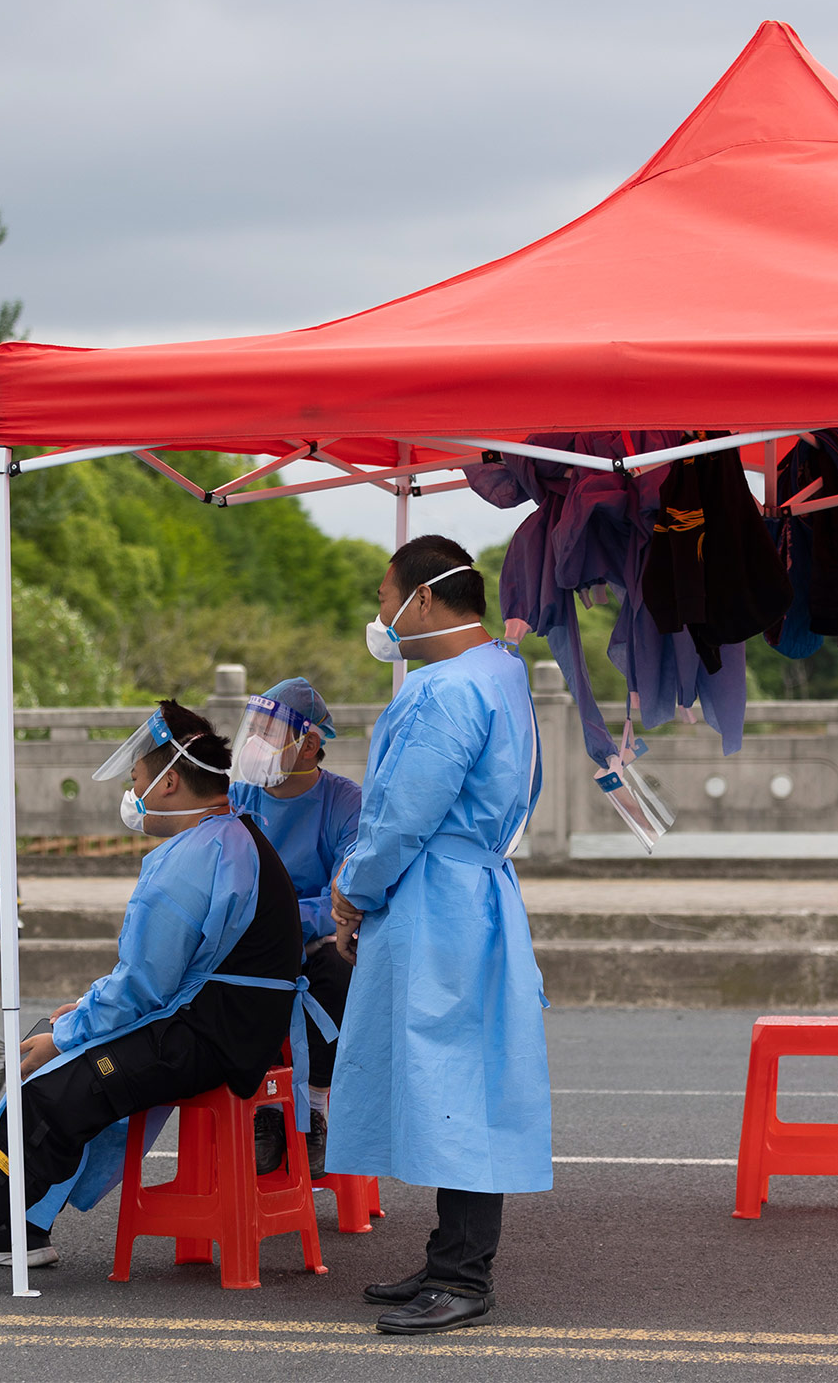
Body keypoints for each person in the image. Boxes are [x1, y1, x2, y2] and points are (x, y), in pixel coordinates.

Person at [0, 700, 310, 1291]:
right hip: (225, 1022)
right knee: (59, 1049)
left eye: (139, 779)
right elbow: (152, 979)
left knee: (49, 1094)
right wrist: (79, 1018)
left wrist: (71, 1032)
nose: (134, 790)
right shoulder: (229, 832)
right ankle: (10, 1224)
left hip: (214, 1034)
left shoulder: (188, 859)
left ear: (169, 781)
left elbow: (144, 986)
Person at [327, 535, 549, 1337]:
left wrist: (353, 889)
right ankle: (449, 1251)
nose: (381, 615)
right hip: (474, 887)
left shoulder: (441, 689)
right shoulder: (501, 671)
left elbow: (402, 814)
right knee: (461, 1074)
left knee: (450, 1076)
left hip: (434, 897)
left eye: (385, 598)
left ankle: (463, 1274)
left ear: (422, 598)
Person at [227, 676, 361, 1179]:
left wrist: (288, 920)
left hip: (316, 942)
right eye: (254, 728)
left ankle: (316, 1109)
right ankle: (264, 1110)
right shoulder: (239, 798)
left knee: (335, 962)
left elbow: (347, 891)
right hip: (253, 943)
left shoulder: (345, 801)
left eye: (270, 730)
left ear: (309, 743)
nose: (256, 740)